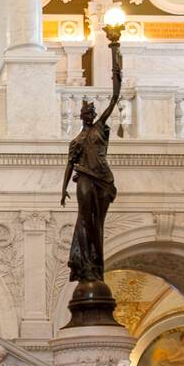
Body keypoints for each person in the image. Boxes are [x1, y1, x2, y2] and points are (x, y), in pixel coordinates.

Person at [60, 42, 122, 283]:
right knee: (85, 219)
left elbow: (115, 98)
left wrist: (115, 60)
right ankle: (86, 264)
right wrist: (63, 189)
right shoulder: (76, 141)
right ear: (81, 116)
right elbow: (69, 164)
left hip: (104, 179)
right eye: (86, 113)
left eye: (92, 112)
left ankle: (95, 263)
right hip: (84, 176)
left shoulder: (100, 129)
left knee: (98, 222)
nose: (90, 115)